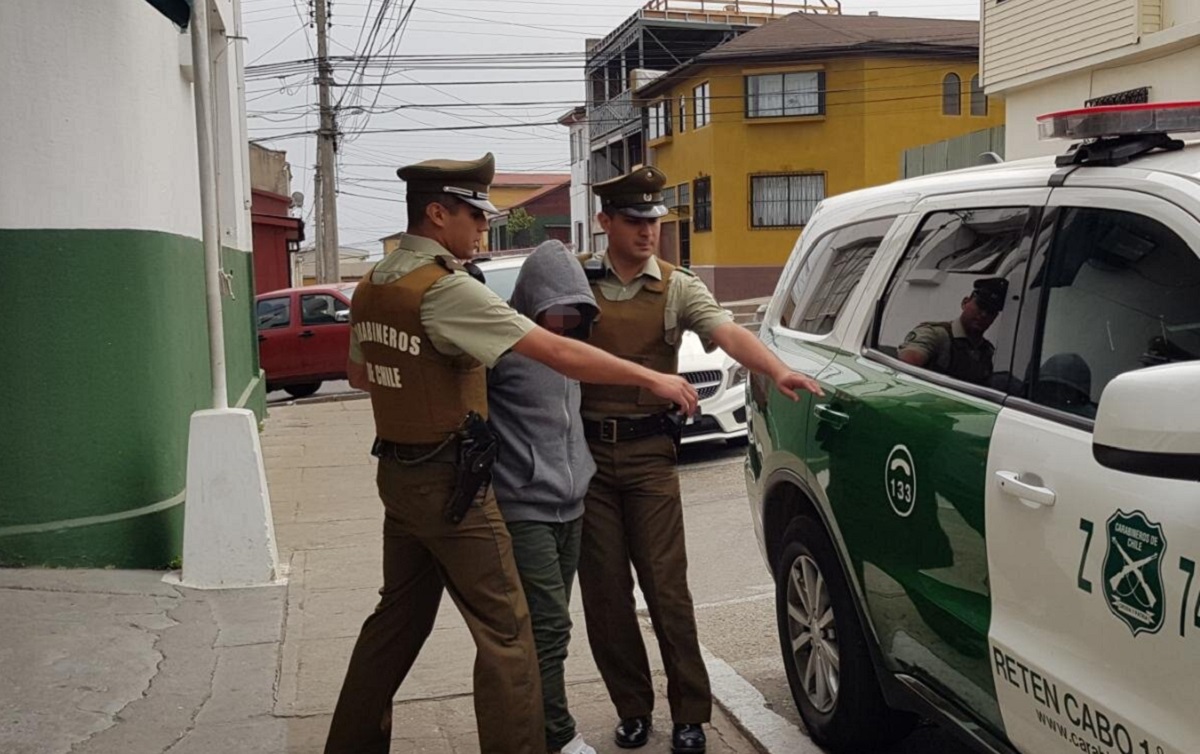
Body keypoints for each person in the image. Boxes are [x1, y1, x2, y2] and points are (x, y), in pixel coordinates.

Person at [325, 154, 699, 754]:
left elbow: (361, 376)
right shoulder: (443, 289)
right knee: (512, 635)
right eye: (473, 215)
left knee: (395, 624)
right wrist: (651, 379)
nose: (481, 227)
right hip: (454, 485)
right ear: (437, 213)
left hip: (399, 477)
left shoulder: (376, 284)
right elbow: (558, 353)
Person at [575, 165, 823, 754]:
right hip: (586, 457)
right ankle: (632, 709)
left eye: (654, 222)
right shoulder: (577, 283)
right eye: (634, 222)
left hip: (649, 457)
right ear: (605, 222)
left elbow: (724, 331)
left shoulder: (677, 286)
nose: (647, 233)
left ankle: (690, 712)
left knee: (667, 590)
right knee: (605, 595)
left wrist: (775, 368)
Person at [488, 240, 601, 754]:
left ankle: (533, 727)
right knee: (549, 624)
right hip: (525, 509)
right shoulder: (501, 351)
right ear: (530, 301)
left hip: (572, 505)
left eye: (571, 311)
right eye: (552, 310)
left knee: (549, 626)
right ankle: (557, 734)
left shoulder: (576, 347)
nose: (560, 322)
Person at [897, 277, 1009, 385]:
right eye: (980, 306)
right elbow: (905, 370)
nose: (983, 314)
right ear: (965, 302)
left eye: (990, 311)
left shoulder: (986, 351)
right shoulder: (935, 335)